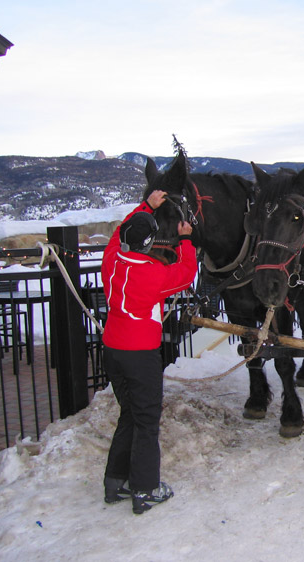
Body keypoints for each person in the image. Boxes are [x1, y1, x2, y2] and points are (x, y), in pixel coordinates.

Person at [101, 190, 198, 515]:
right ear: (148, 243)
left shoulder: (111, 262)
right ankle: (145, 489)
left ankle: (115, 482)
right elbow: (185, 274)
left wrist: (146, 207)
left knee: (128, 414)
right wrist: (186, 240)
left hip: (112, 349)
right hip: (140, 355)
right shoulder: (154, 274)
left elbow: (118, 234)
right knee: (146, 421)